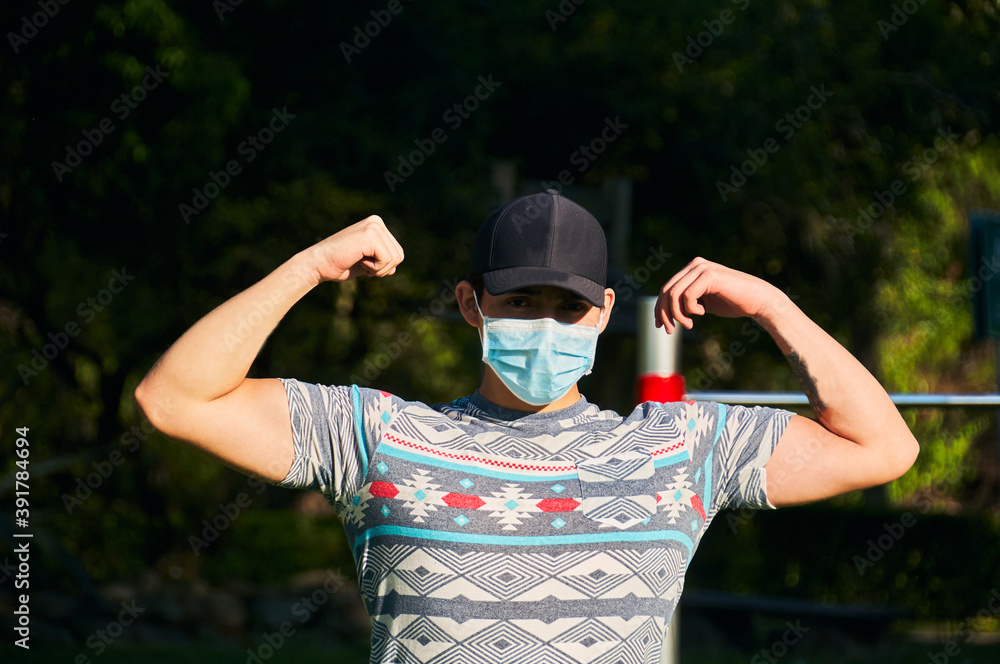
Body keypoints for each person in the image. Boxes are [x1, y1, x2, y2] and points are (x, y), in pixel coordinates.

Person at [134, 190, 919, 664]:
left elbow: (883, 446)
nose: (545, 324)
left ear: (605, 313)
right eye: (519, 304)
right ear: (472, 305)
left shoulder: (679, 448)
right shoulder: (378, 436)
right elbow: (175, 400)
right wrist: (309, 264)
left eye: (568, 307)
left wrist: (773, 306)